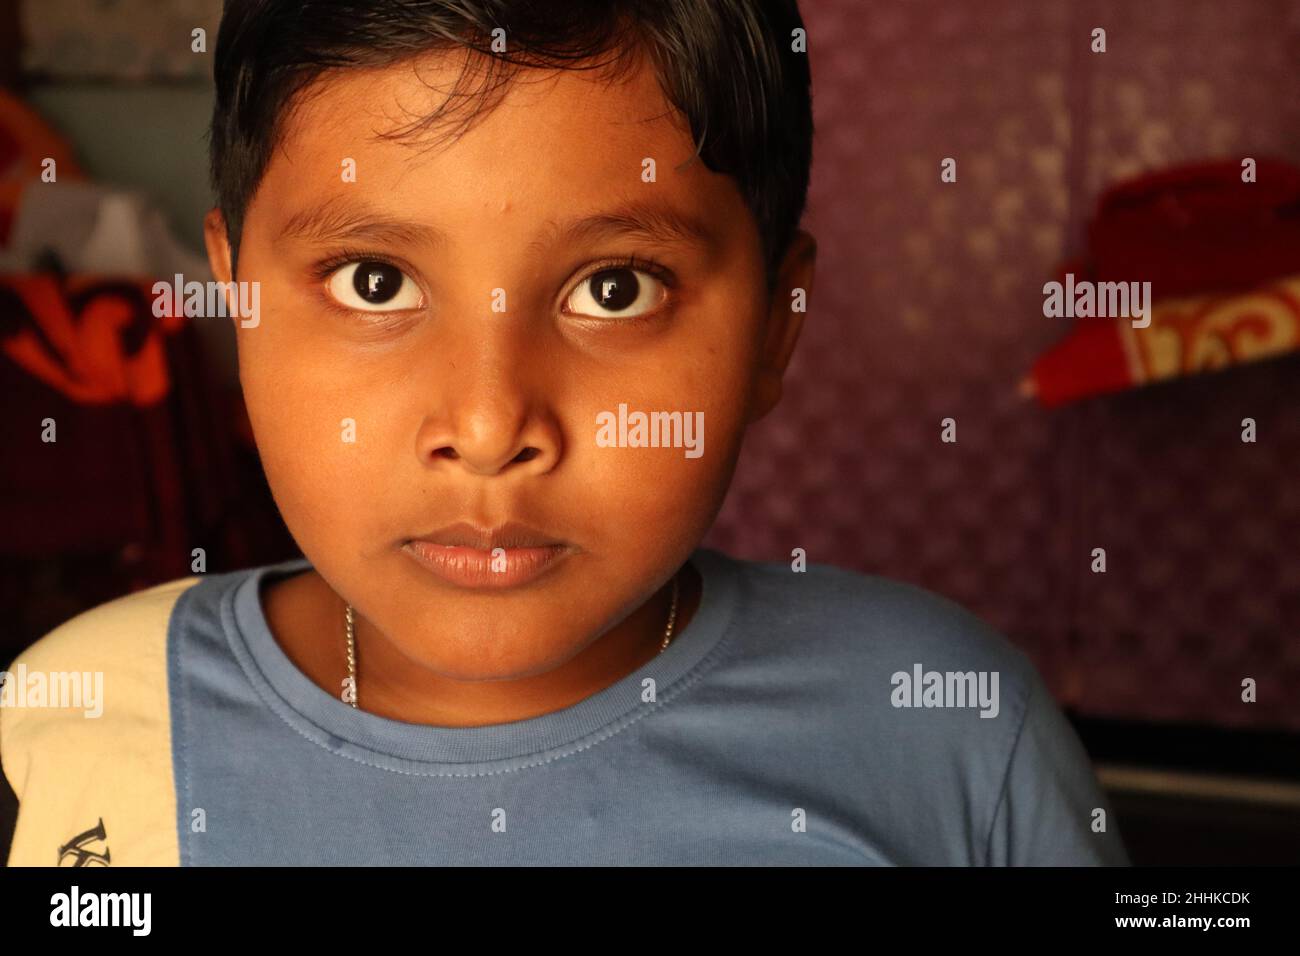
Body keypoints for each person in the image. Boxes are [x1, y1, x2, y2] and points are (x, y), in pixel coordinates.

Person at [1, 0, 1129, 866]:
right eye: (376, 278)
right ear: (239, 300)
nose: (489, 427)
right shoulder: (81, 717)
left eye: (615, 289)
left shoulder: (944, 725)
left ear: (776, 329)